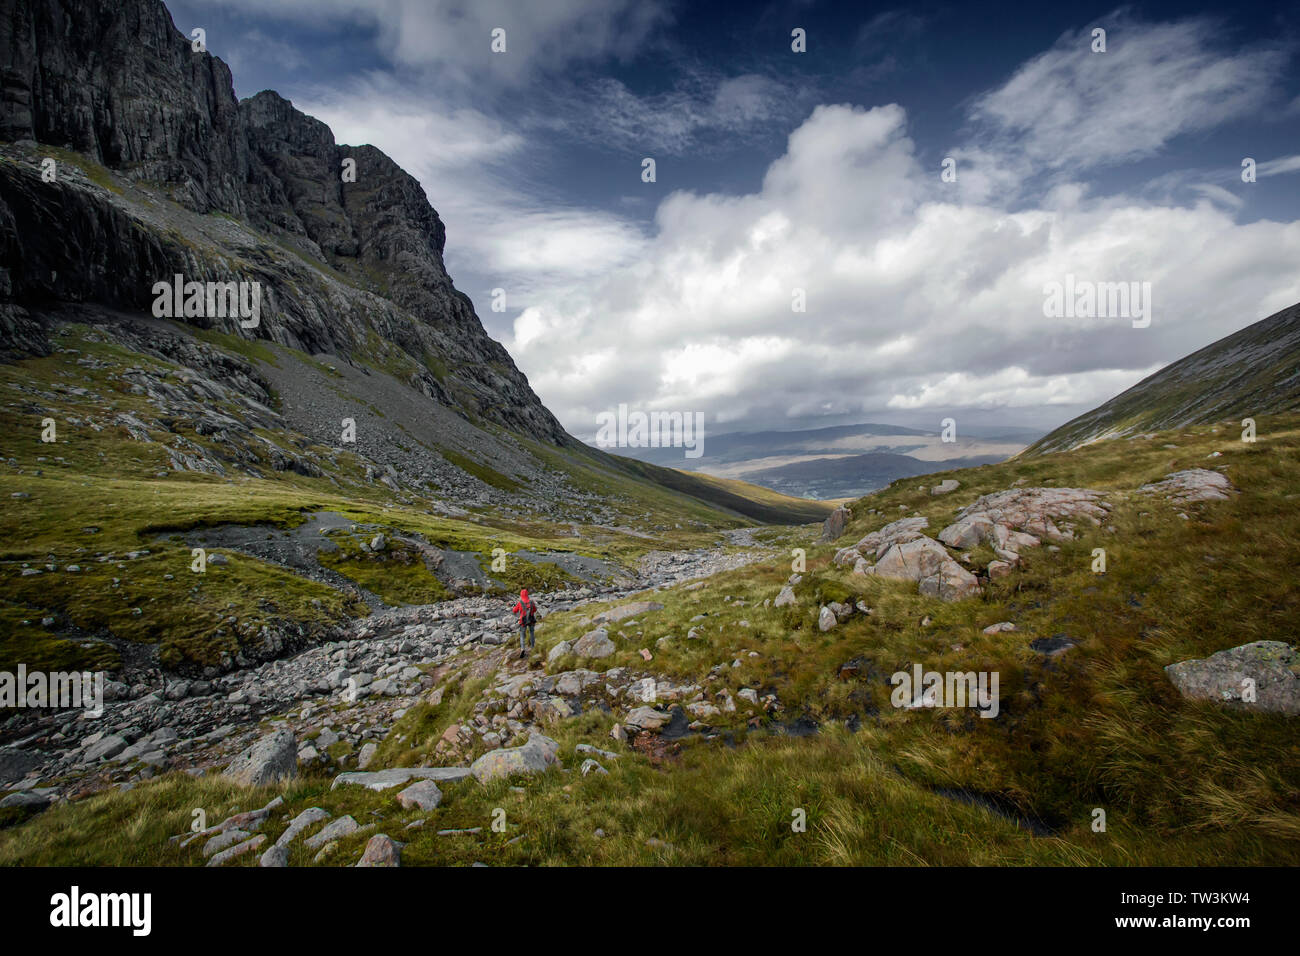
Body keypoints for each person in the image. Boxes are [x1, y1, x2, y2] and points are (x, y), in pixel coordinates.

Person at [512, 588, 538, 658]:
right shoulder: (531, 602)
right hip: (531, 620)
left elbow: (514, 611)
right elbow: (535, 610)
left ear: (521, 595)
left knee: (522, 635)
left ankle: (523, 649)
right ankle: (533, 647)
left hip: (523, 621)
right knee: (532, 633)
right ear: (527, 594)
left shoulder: (520, 602)